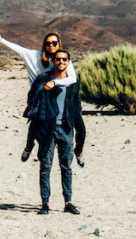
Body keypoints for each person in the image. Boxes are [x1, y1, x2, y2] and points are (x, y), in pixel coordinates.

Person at [0, 28, 86, 167]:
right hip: (41, 97)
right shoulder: (34, 56)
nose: (51, 46)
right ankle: (28, 147)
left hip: (65, 98)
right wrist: (1, 40)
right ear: (44, 45)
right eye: (48, 43)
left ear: (59, 44)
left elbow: (73, 79)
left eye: (54, 43)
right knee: (34, 123)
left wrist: (54, 82)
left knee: (80, 127)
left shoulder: (62, 59)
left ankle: (79, 152)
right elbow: (19, 49)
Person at [25, 50, 81, 215]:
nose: (61, 62)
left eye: (64, 59)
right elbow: (31, 97)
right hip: (46, 128)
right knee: (45, 166)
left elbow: (76, 101)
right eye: (58, 59)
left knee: (66, 167)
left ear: (68, 61)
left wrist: (75, 119)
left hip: (65, 128)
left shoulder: (72, 81)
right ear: (53, 61)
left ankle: (68, 202)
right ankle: (45, 203)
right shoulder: (43, 78)